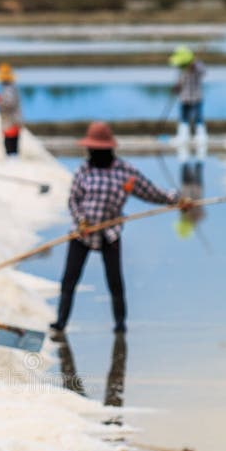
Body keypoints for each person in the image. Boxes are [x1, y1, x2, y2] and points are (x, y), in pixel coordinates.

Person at [50, 121, 188, 335]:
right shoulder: (83, 171)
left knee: (115, 282)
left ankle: (120, 325)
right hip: (82, 233)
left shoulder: (125, 172)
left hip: (110, 233)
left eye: (98, 149)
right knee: (69, 281)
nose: (94, 153)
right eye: (92, 149)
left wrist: (177, 199)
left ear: (108, 149)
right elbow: (73, 200)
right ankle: (60, 323)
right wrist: (81, 220)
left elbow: (151, 192)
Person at [169, 45, 206, 145]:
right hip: (184, 97)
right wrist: (176, 87)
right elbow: (180, 81)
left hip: (196, 97)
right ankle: (183, 137)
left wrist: (193, 66)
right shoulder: (181, 68)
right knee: (183, 118)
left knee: (198, 117)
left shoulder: (197, 65)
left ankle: (201, 137)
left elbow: (203, 72)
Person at [0, 63, 22, 156]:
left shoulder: (9, 89)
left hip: (11, 123)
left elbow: (9, 104)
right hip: (11, 123)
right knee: (12, 150)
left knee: (10, 149)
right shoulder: (10, 88)